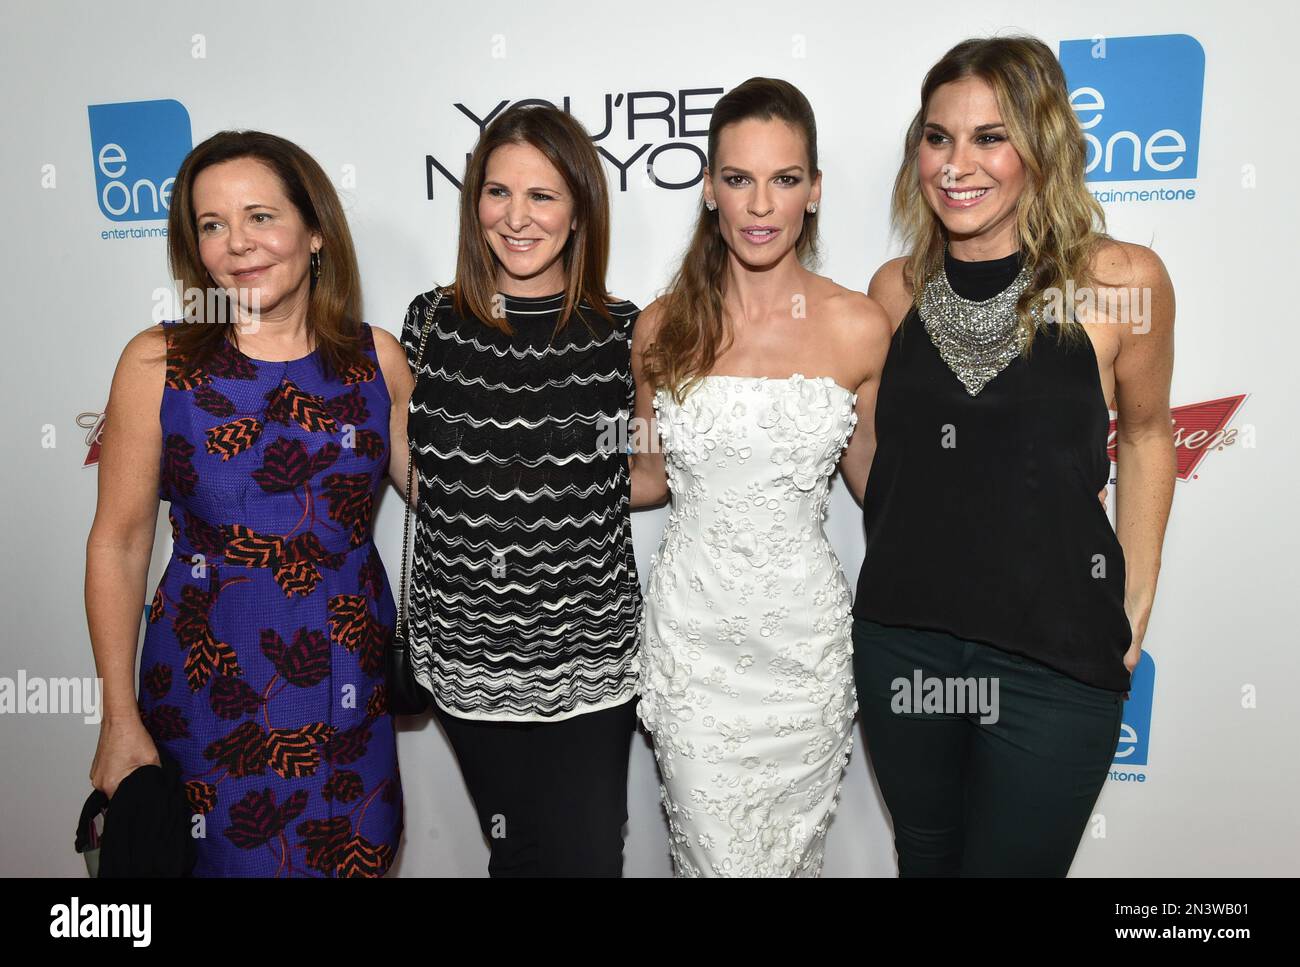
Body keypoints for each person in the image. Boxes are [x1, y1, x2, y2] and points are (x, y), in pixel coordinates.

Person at [847, 36, 1177, 876]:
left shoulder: (1121, 282)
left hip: (1055, 656)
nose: (957, 164)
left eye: (990, 137)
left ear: (1043, 144)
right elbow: (878, 451)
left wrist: (1134, 599)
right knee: (925, 857)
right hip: (903, 641)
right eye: (937, 136)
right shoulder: (893, 290)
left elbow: (1144, 435)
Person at [86, 131, 413, 877]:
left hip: (347, 697)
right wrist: (117, 718)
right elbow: (119, 542)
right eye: (212, 224)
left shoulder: (377, 359)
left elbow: (444, 491)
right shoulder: (157, 364)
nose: (238, 244)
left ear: (316, 229)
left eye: (260, 216)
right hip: (208, 701)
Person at [631, 77, 890, 877]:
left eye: (784, 179)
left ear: (814, 191)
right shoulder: (662, 325)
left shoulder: (857, 325)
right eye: (738, 179)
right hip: (695, 651)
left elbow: (880, 486)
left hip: (804, 654)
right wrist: (521, 481)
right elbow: (646, 476)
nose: (760, 204)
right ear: (708, 189)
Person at [401, 104, 641, 876]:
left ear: (578, 211)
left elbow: (648, 475)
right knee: (518, 855)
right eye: (497, 192)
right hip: (467, 659)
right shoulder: (430, 322)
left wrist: (555, 503)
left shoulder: (623, 332)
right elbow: (420, 471)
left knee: (588, 857)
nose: (516, 217)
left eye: (542, 196)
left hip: (588, 658)